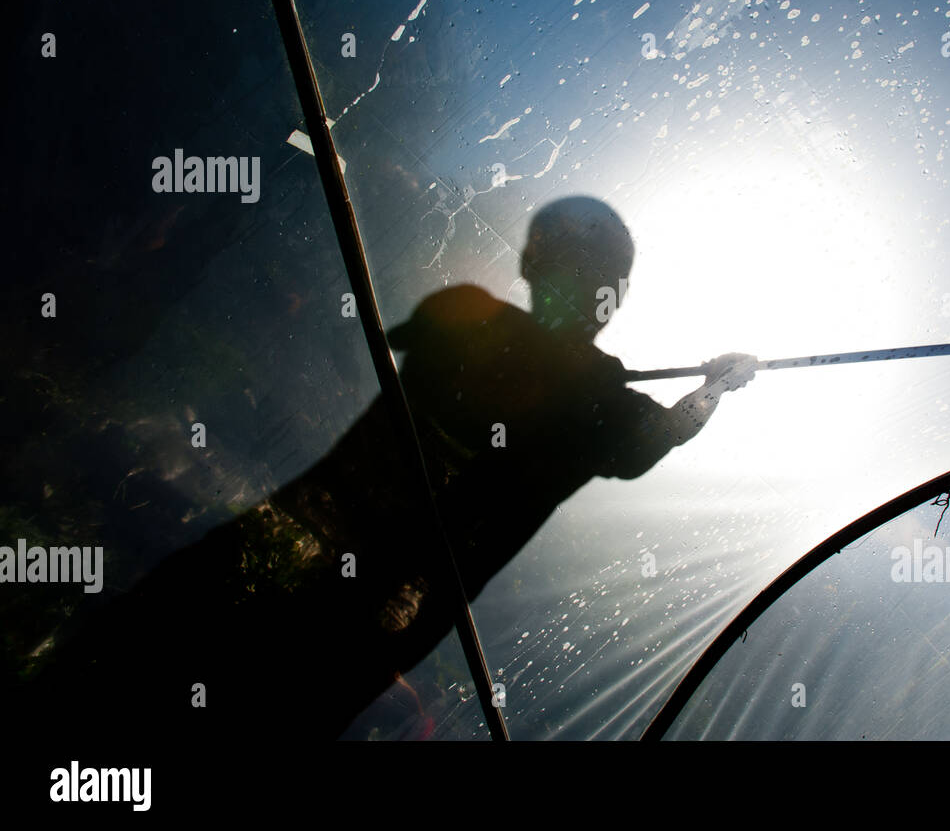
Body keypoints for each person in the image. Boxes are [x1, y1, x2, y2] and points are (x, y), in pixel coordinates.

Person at [22, 195, 756, 741]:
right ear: (613, 295)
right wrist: (715, 385)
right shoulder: (599, 402)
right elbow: (666, 432)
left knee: (113, 674)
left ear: (530, 261)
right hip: (358, 635)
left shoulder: (463, 315)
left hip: (274, 558)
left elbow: (399, 336)